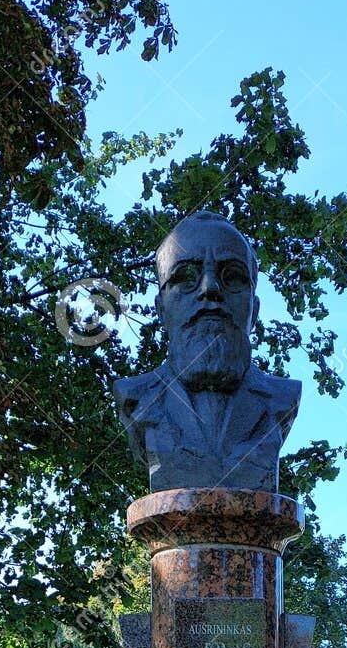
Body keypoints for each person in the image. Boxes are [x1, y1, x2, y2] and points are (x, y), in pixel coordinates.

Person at [112, 211, 301, 492]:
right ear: (160, 308)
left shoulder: (281, 399)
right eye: (186, 276)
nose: (210, 288)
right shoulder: (135, 397)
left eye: (233, 277)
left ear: (255, 310)